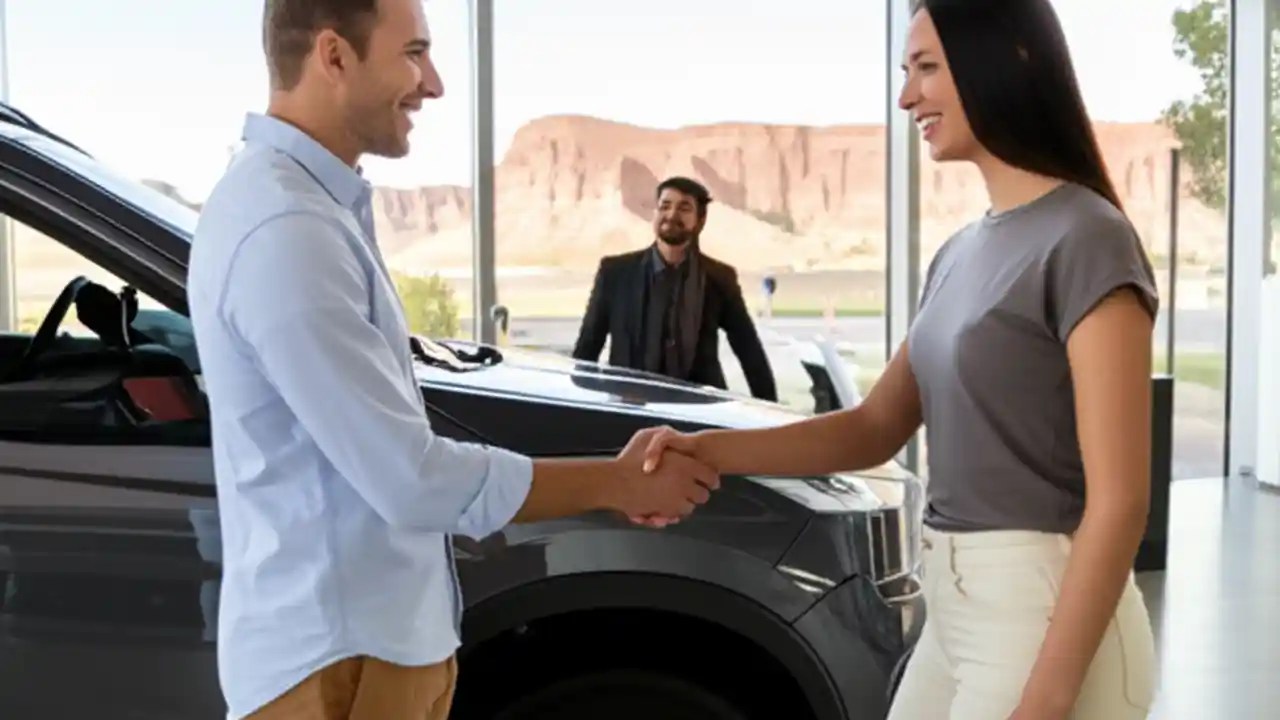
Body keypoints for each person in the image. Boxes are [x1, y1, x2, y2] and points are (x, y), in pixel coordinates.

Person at [185, 1, 719, 719]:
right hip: (339, 665)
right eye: (413, 53)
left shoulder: (307, 208)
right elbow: (411, 479)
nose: (432, 83)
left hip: (366, 651)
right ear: (335, 56)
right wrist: (617, 483)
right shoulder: (287, 230)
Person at [634, 1, 1160, 718]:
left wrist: (1047, 696)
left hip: (1043, 606)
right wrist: (707, 451)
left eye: (927, 68)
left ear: (1010, 58)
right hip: (952, 601)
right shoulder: (960, 252)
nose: (907, 95)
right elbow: (873, 428)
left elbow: (1122, 499)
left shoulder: (1088, 238)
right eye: (905, 71)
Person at [571, 176, 779, 402]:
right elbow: (586, 351)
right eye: (665, 206)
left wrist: (770, 414)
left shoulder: (719, 278)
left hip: (698, 414)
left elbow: (749, 351)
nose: (672, 215)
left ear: (700, 220)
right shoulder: (615, 273)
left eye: (684, 208)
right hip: (630, 411)